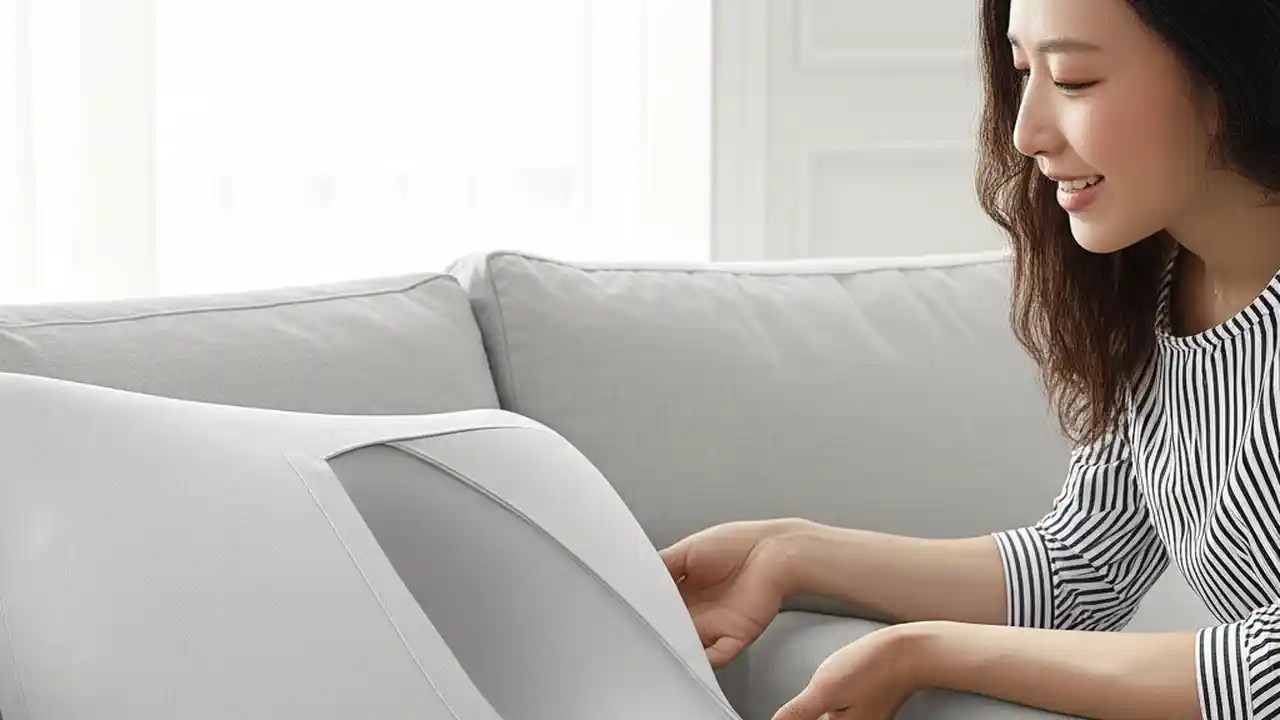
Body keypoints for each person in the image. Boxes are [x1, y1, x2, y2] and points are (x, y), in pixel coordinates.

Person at [659, 0, 1280, 718]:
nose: (1026, 132)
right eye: (1023, 72)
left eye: (1074, 79)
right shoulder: (1152, 293)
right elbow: (1083, 565)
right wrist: (791, 552)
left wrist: (928, 651)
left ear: (1228, 74)